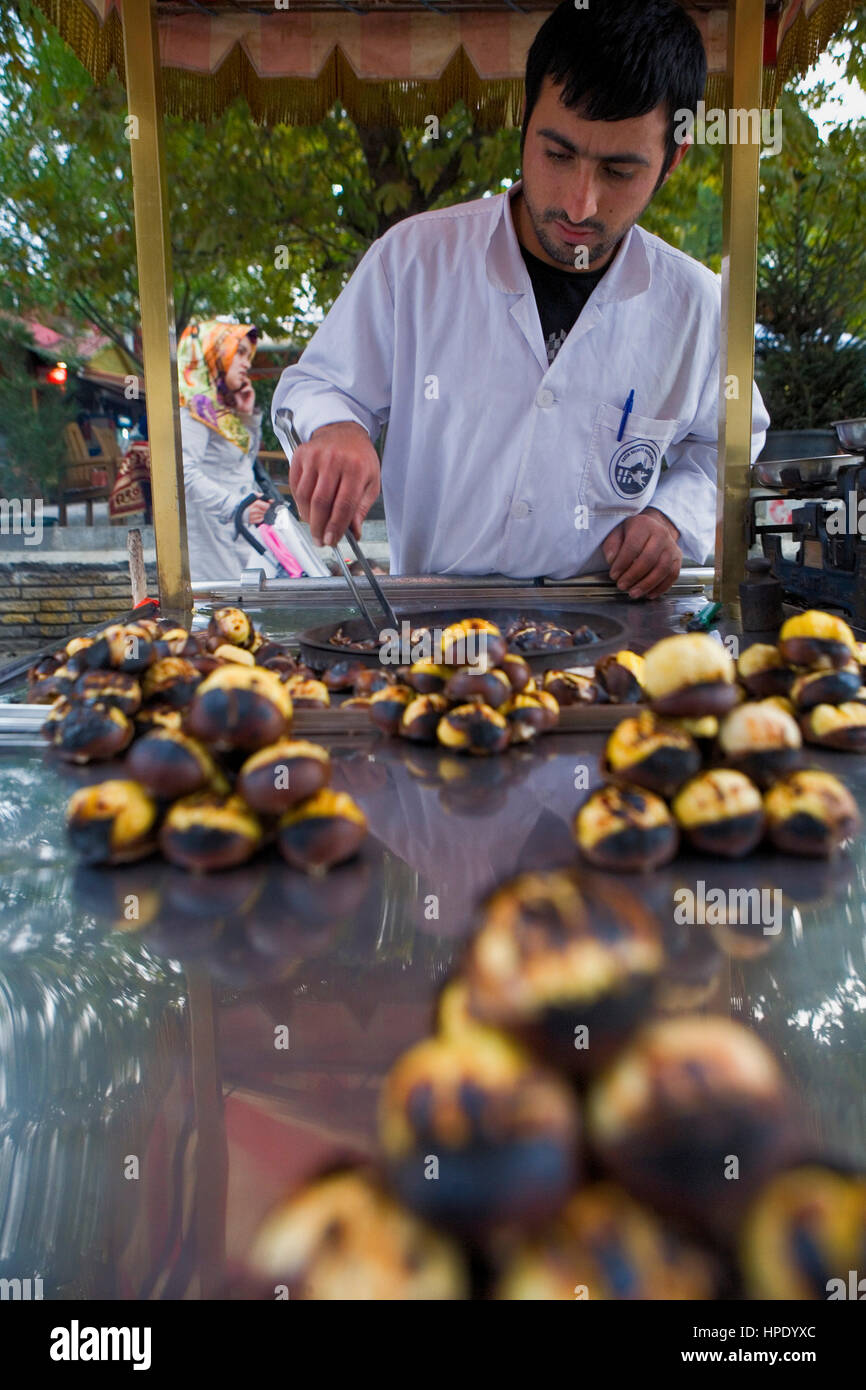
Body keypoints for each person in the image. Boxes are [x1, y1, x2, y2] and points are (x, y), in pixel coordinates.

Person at [272, 0, 769, 598]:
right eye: (557, 155)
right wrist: (335, 429)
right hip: (435, 635)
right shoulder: (415, 260)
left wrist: (673, 517)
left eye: (619, 171)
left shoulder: (693, 305)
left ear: (672, 161)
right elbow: (319, 385)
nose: (579, 205)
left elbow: (731, 441)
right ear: (524, 122)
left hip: (605, 636)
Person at [178, 319, 275, 581]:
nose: (247, 363)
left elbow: (243, 463)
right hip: (213, 535)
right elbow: (182, 474)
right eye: (239, 352)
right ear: (214, 354)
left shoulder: (216, 408)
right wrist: (236, 506)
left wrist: (247, 417)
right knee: (221, 617)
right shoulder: (192, 410)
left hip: (240, 530)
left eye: (247, 354)